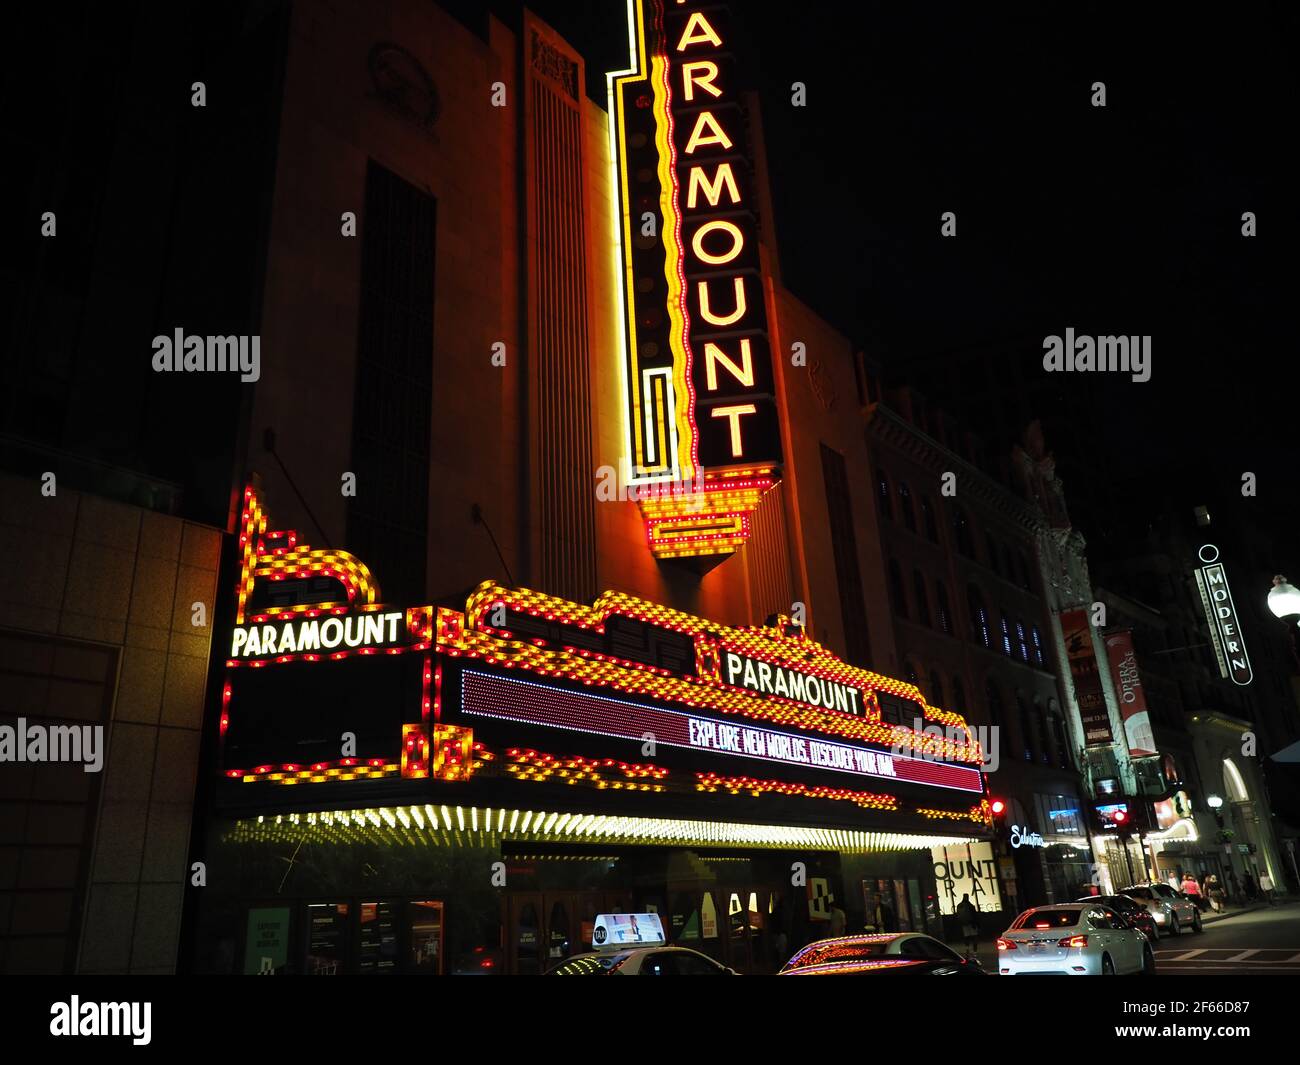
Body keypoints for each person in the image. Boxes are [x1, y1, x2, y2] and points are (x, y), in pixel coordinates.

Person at [954, 894, 980, 958]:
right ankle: (975, 953)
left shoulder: (959, 905)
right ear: (968, 897)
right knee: (974, 937)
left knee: (966, 937)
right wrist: (977, 924)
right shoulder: (970, 905)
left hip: (964, 924)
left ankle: (967, 950)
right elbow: (975, 916)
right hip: (972, 924)